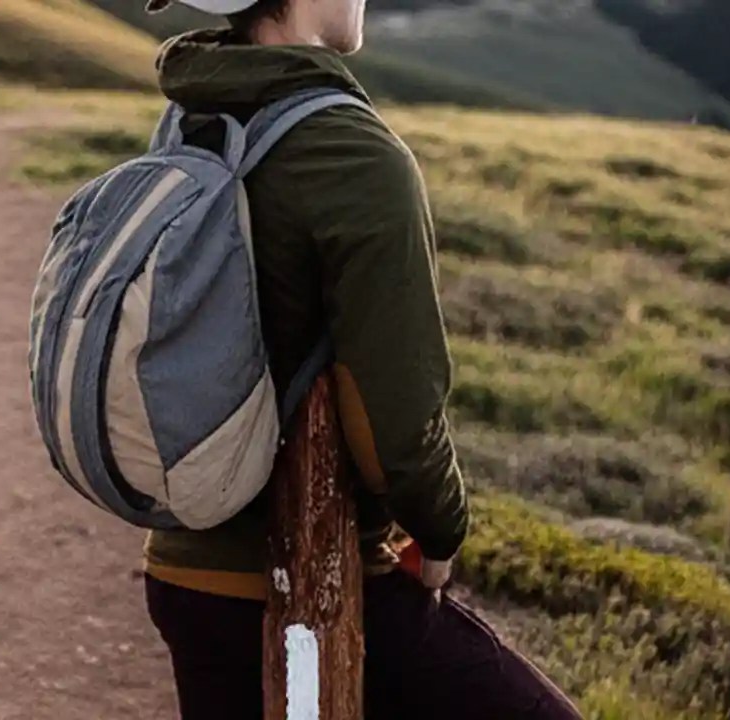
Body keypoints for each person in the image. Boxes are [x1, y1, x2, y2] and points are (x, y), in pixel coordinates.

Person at [139, 0, 584, 717]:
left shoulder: (192, 114)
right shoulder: (356, 155)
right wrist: (440, 531)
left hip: (183, 573)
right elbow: (395, 423)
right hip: (306, 587)